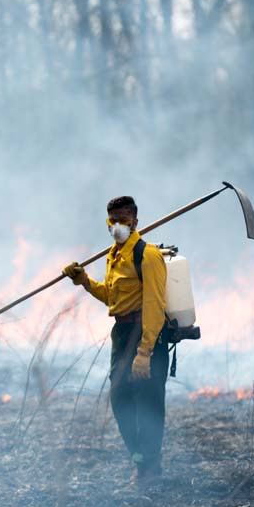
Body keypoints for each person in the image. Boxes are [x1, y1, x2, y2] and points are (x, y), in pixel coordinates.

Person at [62, 195, 169, 480]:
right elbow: (112, 297)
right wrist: (84, 281)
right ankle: (139, 458)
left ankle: (150, 468)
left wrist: (145, 352)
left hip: (145, 333)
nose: (118, 225)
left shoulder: (147, 256)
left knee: (148, 403)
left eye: (124, 219)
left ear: (135, 221)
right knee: (120, 399)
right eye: (113, 220)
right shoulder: (114, 255)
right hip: (121, 334)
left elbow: (155, 306)